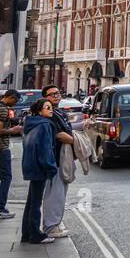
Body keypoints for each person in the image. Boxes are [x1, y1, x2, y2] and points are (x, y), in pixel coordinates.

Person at [21, 99, 58, 245]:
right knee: (36, 203)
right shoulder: (45, 125)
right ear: (39, 111)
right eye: (47, 107)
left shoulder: (31, 123)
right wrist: (51, 168)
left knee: (31, 202)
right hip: (40, 167)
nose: (50, 109)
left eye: (51, 107)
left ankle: (27, 233)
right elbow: (45, 149)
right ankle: (36, 235)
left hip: (31, 164)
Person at [40, 85, 74, 239]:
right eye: (52, 94)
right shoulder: (49, 115)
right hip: (55, 158)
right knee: (54, 193)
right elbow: (60, 135)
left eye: (58, 93)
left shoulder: (58, 112)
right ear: (45, 97)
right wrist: (78, 142)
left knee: (59, 192)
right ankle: (50, 226)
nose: (56, 96)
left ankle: (54, 223)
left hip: (62, 157)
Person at [0, 90, 23, 220]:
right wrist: (13, 130)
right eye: (16, 100)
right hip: (1, 147)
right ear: (11, 98)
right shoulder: (2, 110)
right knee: (6, 177)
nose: (16, 103)